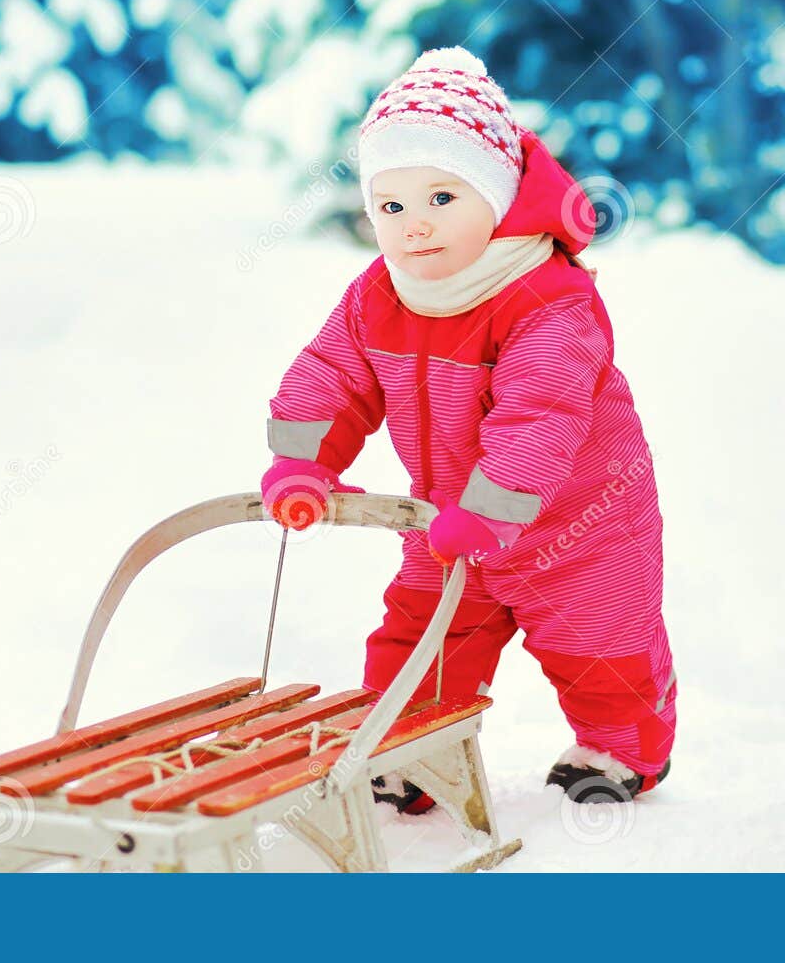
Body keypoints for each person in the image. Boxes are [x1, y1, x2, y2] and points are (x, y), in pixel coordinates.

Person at [261, 45, 675, 808]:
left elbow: (539, 415)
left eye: (443, 199)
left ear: (499, 194)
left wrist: (493, 510)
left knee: (599, 647)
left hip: (578, 522)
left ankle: (620, 751)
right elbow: (333, 374)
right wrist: (302, 462)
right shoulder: (381, 295)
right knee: (421, 642)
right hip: (449, 519)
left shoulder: (544, 297)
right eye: (392, 207)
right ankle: (412, 750)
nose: (414, 228)